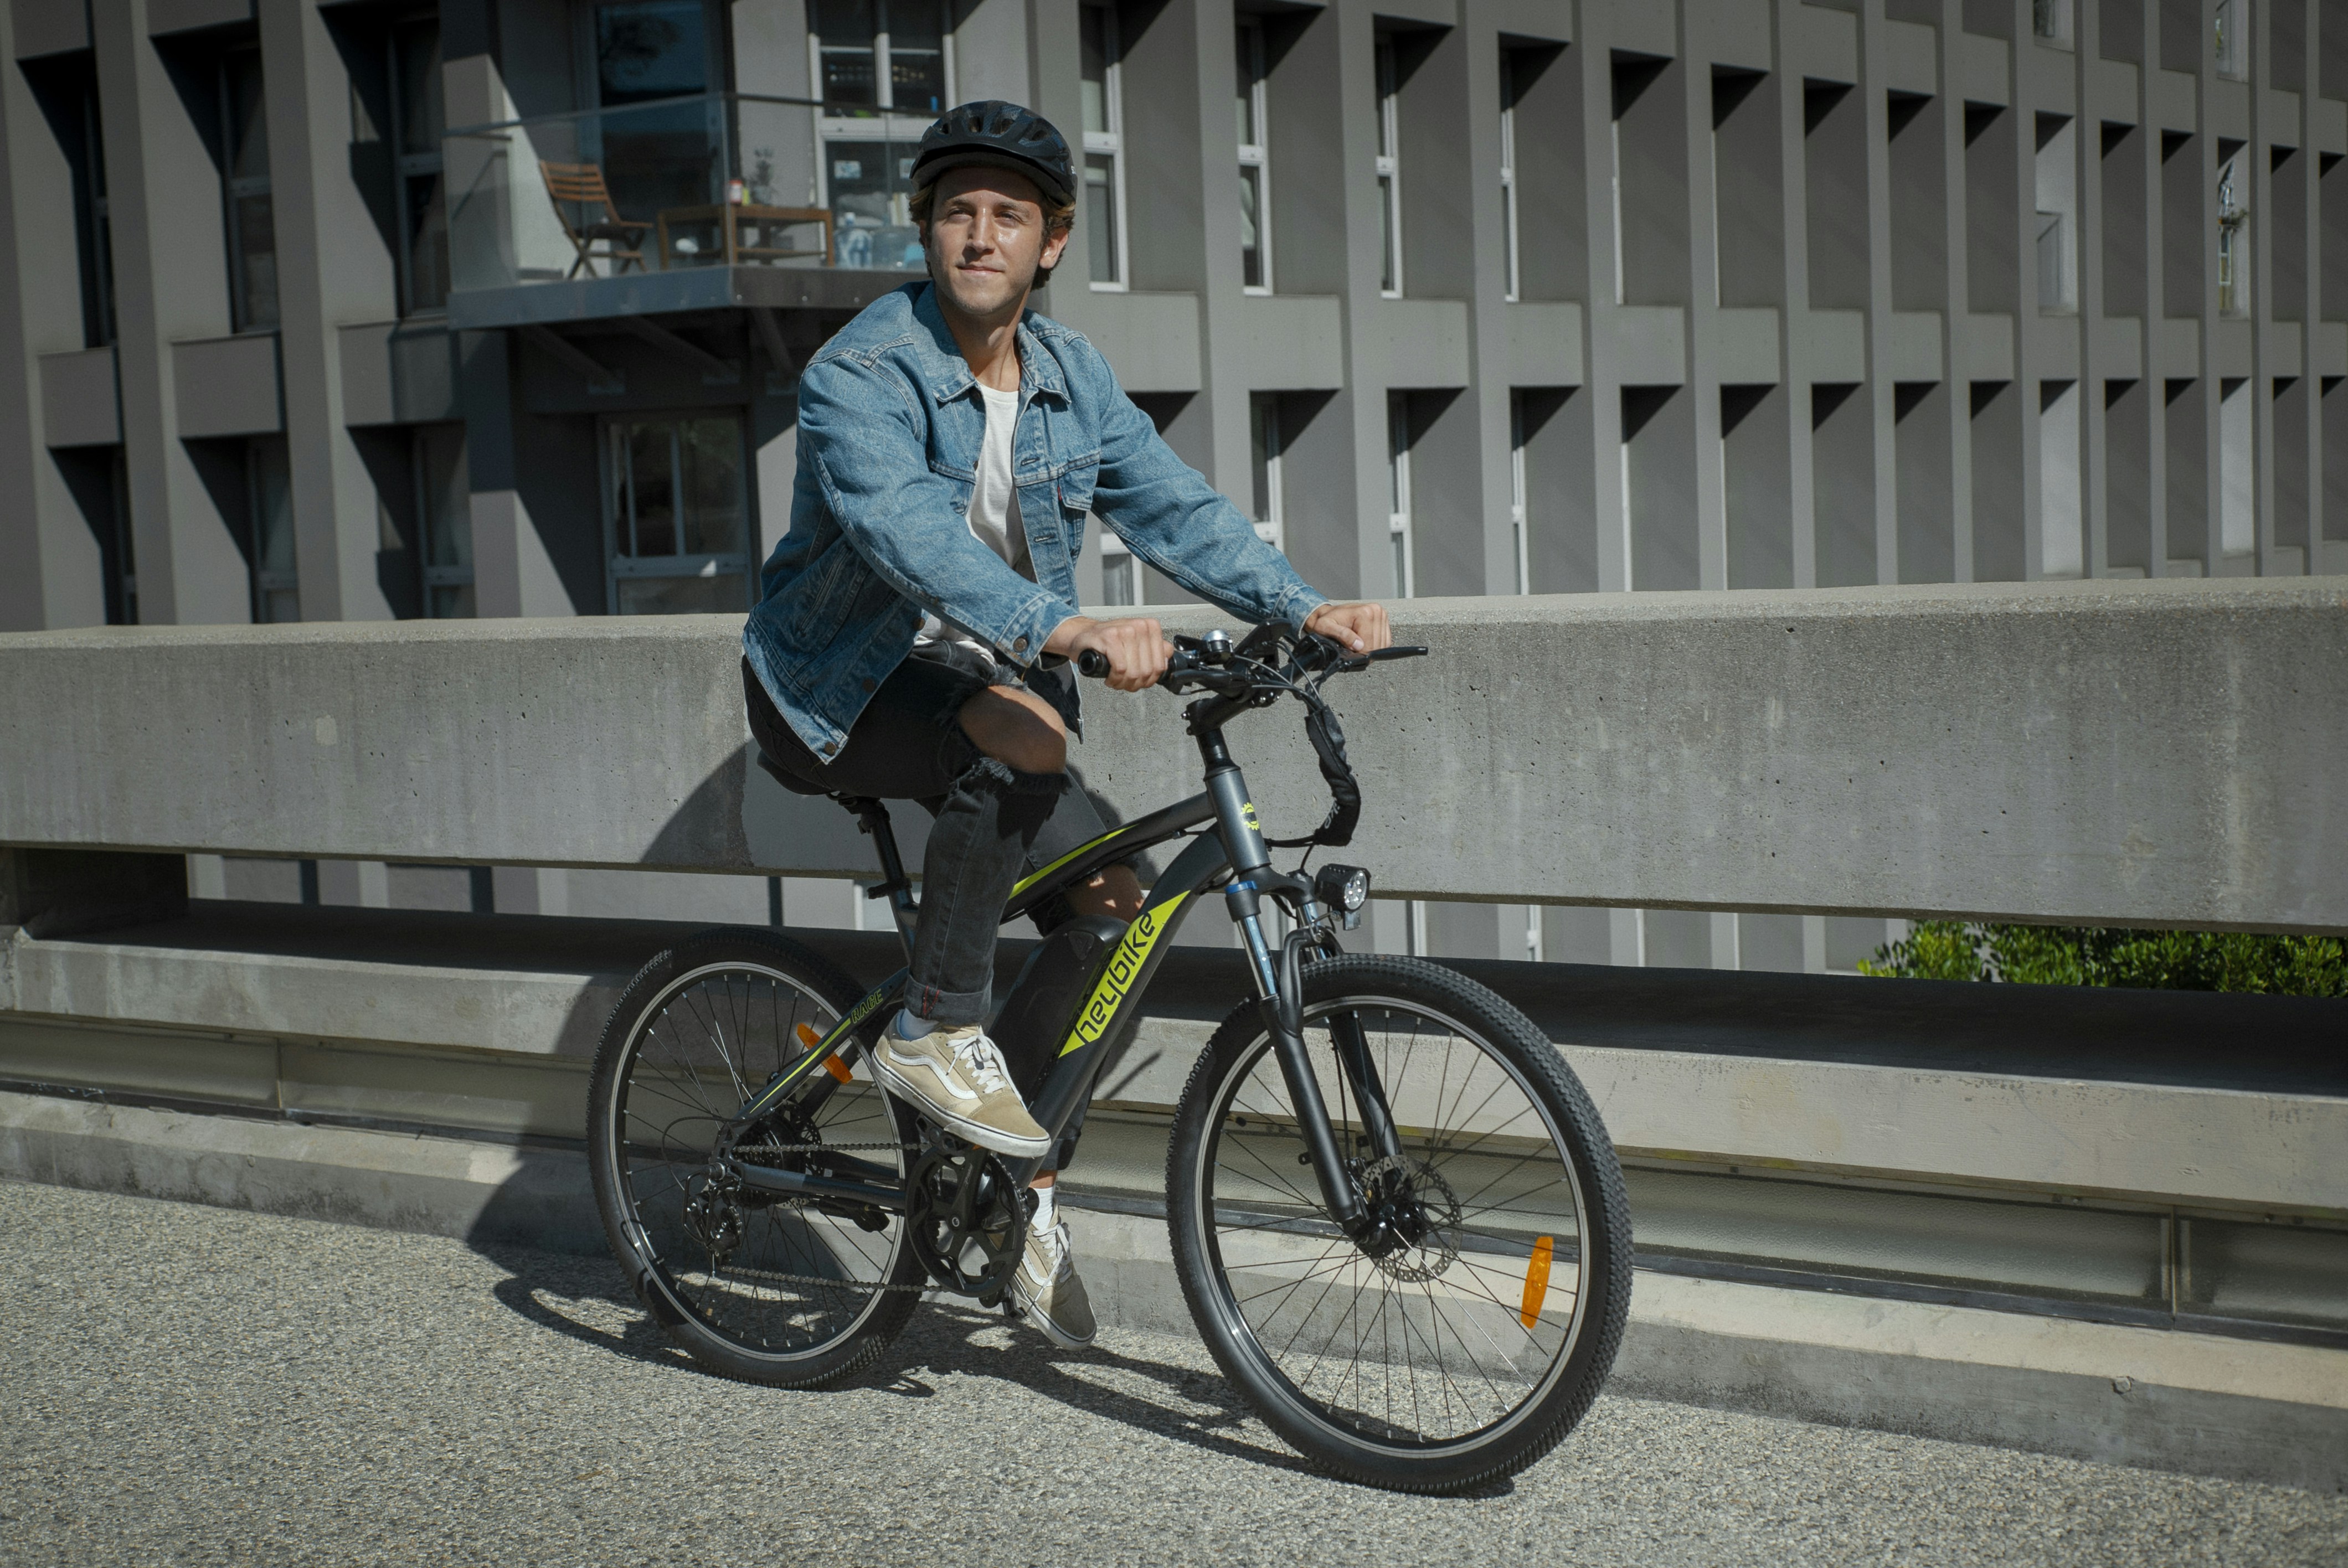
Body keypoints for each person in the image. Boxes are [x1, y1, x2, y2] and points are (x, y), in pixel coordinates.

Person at [740, 100, 1391, 1348]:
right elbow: (904, 539)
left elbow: (1171, 506)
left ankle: (1010, 1186)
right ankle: (934, 1027)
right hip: (831, 684)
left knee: (1115, 913)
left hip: (985, 679)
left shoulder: (1069, 378)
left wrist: (1302, 603)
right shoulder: (860, 374)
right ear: (928, 231)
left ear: (1050, 242)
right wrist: (1067, 627)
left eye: (1007, 216)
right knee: (1031, 732)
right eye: (955, 213)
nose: (977, 236)